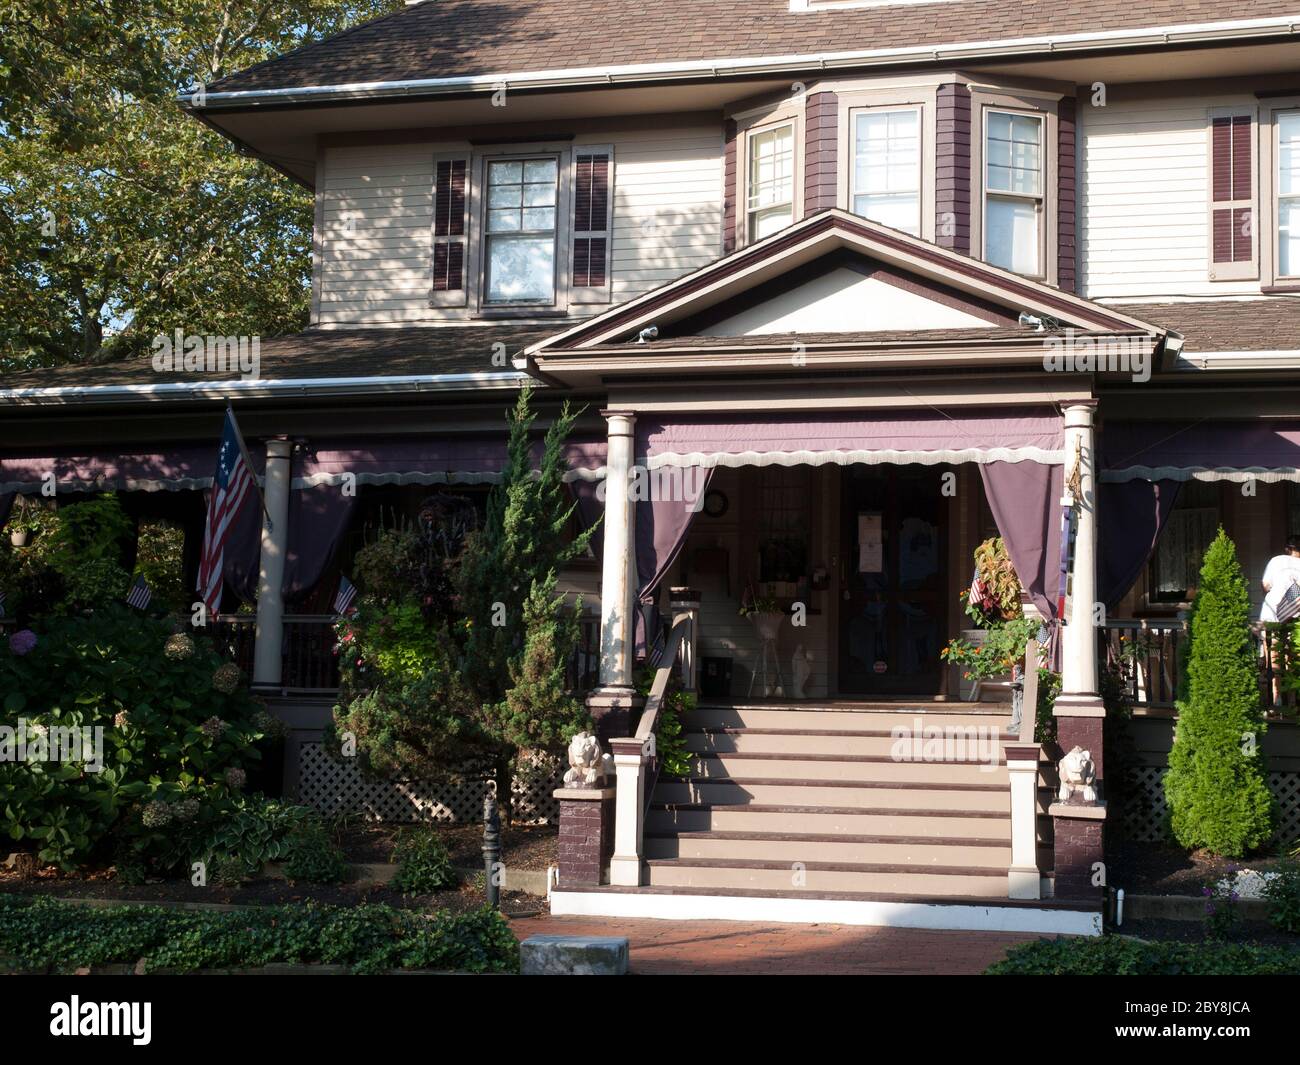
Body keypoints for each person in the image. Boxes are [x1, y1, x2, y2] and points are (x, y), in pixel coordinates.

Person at [1260, 537, 1300, 706]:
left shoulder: (1275, 561)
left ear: (1286, 549)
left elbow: (1265, 585)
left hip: (1272, 612)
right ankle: (1291, 701)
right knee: (1293, 658)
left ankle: (1275, 700)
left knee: (1273, 657)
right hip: (1296, 617)